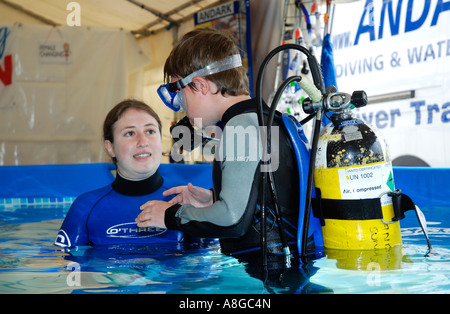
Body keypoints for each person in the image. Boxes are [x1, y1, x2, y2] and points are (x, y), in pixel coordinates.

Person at [136, 28, 300, 268]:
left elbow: (233, 221)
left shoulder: (240, 126)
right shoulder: (266, 118)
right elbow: (272, 197)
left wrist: (171, 216)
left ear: (201, 86)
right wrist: (213, 200)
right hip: (285, 267)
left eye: (179, 95)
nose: (181, 107)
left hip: (265, 275)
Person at [54, 99, 186, 247]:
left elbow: (210, 260)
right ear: (110, 147)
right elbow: (63, 264)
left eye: (150, 131)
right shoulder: (85, 208)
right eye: (130, 133)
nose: (143, 142)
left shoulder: (184, 200)